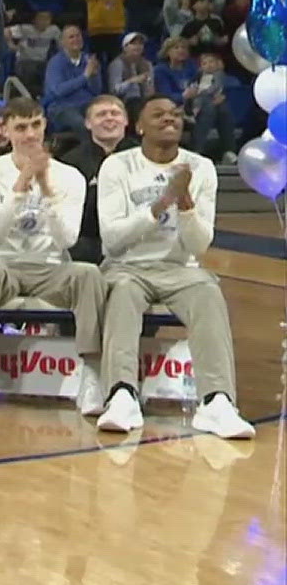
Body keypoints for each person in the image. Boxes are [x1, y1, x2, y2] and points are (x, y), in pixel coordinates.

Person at [93, 97, 253, 439]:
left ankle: (217, 401)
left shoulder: (201, 168)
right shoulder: (118, 166)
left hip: (181, 267)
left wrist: (184, 202)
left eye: (175, 114)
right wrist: (161, 203)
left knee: (209, 291)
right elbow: (112, 240)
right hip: (127, 267)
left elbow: (199, 246)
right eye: (159, 114)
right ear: (139, 127)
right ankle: (121, 394)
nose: (170, 118)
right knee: (121, 294)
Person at [0, 98, 106, 414]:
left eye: (36, 125)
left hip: (51, 268)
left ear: (45, 126)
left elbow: (67, 238)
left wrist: (47, 190)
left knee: (89, 274)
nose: (30, 135)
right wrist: (22, 183)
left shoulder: (70, 177)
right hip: (1, 264)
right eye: (21, 127)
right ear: (8, 130)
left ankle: (92, 376)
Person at [58, 94, 135, 264]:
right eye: (101, 114)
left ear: (126, 120)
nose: (109, 118)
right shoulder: (70, 162)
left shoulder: (143, 157)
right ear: (87, 123)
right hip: (88, 243)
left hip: (135, 241)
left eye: (115, 113)